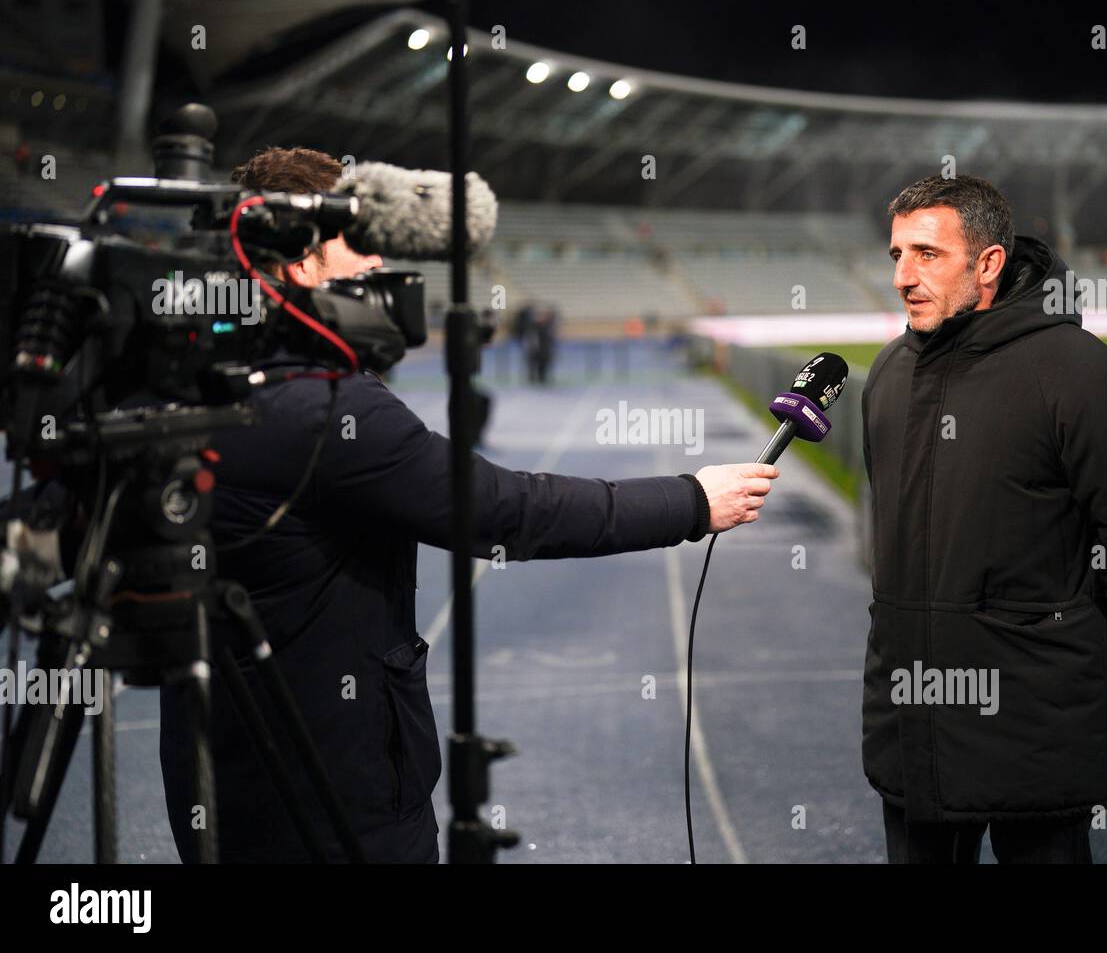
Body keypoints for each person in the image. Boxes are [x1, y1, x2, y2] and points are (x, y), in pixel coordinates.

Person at [159, 146, 780, 862]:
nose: (378, 267)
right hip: (338, 797)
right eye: (359, 244)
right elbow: (506, 510)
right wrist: (691, 501)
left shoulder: (189, 390)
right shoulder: (327, 410)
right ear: (300, 262)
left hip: (215, 784)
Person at [859, 174, 1107, 863]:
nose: (903, 275)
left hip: (1037, 738)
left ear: (988, 264)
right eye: (897, 254)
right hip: (913, 734)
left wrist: (1098, 662)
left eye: (927, 253)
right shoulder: (889, 374)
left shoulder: (1087, 376)